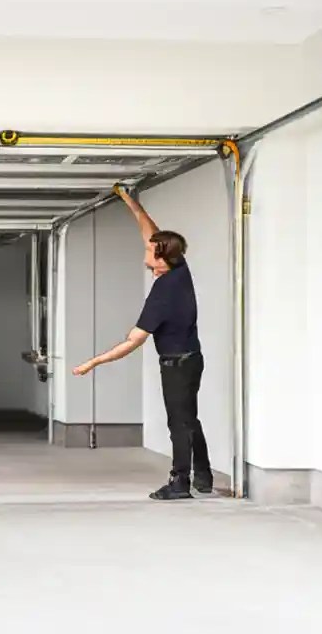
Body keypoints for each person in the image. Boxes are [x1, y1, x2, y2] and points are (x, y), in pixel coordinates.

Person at [72, 185, 211, 500]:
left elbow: (132, 342)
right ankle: (203, 476)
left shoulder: (161, 296)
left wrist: (93, 362)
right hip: (191, 359)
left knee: (179, 422)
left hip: (177, 364)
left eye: (150, 251)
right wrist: (128, 201)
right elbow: (150, 230)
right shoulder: (180, 269)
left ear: (161, 258)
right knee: (189, 417)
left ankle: (180, 483)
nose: (145, 252)